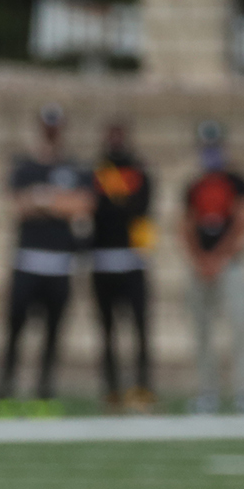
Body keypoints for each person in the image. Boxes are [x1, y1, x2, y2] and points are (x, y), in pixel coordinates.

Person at [0, 105, 92, 405]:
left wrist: (43, 199)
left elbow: (82, 205)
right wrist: (56, 203)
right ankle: (7, 386)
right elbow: (18, 206)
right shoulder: (24, 165)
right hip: (27, 260)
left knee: (53, 331)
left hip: (59, 265)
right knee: (15, 327)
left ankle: (44, 389)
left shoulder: (75, 167)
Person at [182, 121, 244, 415]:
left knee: (241, 327)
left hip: (231, 265)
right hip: (202, 267)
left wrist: (220, 256)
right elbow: (186, 225)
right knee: (202, 331)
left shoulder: (237, 182)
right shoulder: (194, 185)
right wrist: (200, 259)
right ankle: (207, 392)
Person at [90, 120, 155, 413]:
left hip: (132, 259)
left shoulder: (139, 171)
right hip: (102, 259)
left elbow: (140, 208)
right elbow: (95, 211)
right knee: (107, 331)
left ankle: (142, 387)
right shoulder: (95, 172)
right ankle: (112, 390)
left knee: (140, 328)